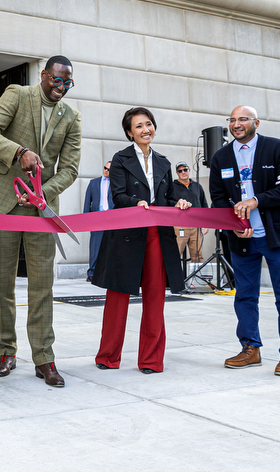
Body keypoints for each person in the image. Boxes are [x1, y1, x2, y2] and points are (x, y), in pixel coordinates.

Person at [0, 55, 81, 387]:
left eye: (68, 82)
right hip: (2, 203)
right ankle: (6, 352)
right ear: (44, 75)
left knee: (42, 286)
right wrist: (19, 151)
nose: (61, 87)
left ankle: (44, 358)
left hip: (41, 209)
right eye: (57, 80)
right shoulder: (18, 95)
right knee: (3, 284)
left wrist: (40, 194)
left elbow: (70, 169)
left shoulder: (72, 117)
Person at [92, 108, 190, 373]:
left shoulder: (163, 162)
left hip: (157, 232)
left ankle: (151, 360)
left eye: (149, 124)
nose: (145, 130)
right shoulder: (120, 159)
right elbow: (118, 196)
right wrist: (137, 203)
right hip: (127, 232)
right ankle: (108, 356)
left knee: (155, 295)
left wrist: (179, 202)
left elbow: (168, 198)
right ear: (129, 132)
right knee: (118, 295)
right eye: (139, 126)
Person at [209, 105, 280, 377]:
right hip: (242, 240)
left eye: (243, 119)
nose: (236, 124)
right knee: (245, 296)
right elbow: (218, 197)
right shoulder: (221, 157)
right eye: (232, 120)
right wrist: (235, 226)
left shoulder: (277, 148)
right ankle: (250, 348)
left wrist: (256, 201)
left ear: (256, 123)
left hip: (278, 238)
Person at [83, 162, 113, 281]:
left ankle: (108, 273)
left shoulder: (116, 183)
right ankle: (92, 273)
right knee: (95, 246)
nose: (106, 170)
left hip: (112, 218)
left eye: (109, 169)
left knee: (111, 247)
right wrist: (86, 218)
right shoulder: (93, 183)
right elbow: (87, 202)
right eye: (105, 168)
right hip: (97, 218)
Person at [172, 161, 207, 264]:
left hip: (196, 226)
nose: (183, 172)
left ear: (189, 170)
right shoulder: (172, 187)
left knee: (198, 257)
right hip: (179, 226)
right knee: (175, 255)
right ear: (177, 173)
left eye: (185, 170)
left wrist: (206, 223)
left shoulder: (197, 186)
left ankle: (197, 275)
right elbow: (169, 203)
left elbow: (204, 204)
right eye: (180, 171)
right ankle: (176, 275)